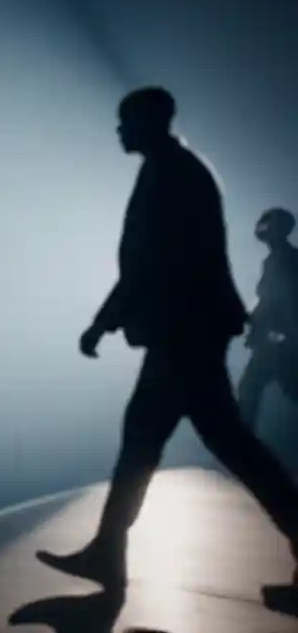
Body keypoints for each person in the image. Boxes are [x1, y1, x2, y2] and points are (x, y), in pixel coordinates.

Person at [37, 87, 298, 586]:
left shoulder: (171, 176)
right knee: (214, 442)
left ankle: (107, 553)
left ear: (147, 121)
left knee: (161, 440)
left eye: (124, 121)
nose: (119, 130)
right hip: (188, 331)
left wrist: (103, 320)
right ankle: (107, 551)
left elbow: (151, 264)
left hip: (183, 334)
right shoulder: (175, 171)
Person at [240, 207, 298, 431]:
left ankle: (242, 450)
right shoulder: (278, 259)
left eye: (267, 225)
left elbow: (279, 301)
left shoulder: (284, 260)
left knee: (250, 388)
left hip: (280, 341)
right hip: (279, 340)